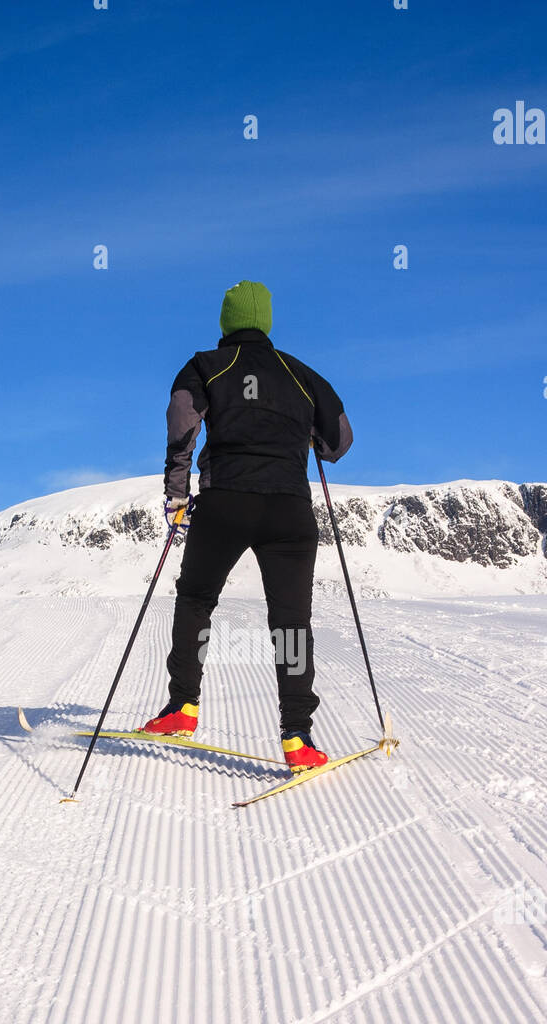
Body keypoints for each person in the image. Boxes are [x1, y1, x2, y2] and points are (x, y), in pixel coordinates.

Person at [139, 280, 353, 769]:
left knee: (196, 599)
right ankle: (298, 735)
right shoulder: (302, 374)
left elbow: (181, 419)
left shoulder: (206, 365)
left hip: (227, 503)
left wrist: (176, 492)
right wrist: (313, 442)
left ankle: (182, 708)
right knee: (292, 623)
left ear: (225, 321)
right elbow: (340, 439)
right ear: (268, 322)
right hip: (289, 511)